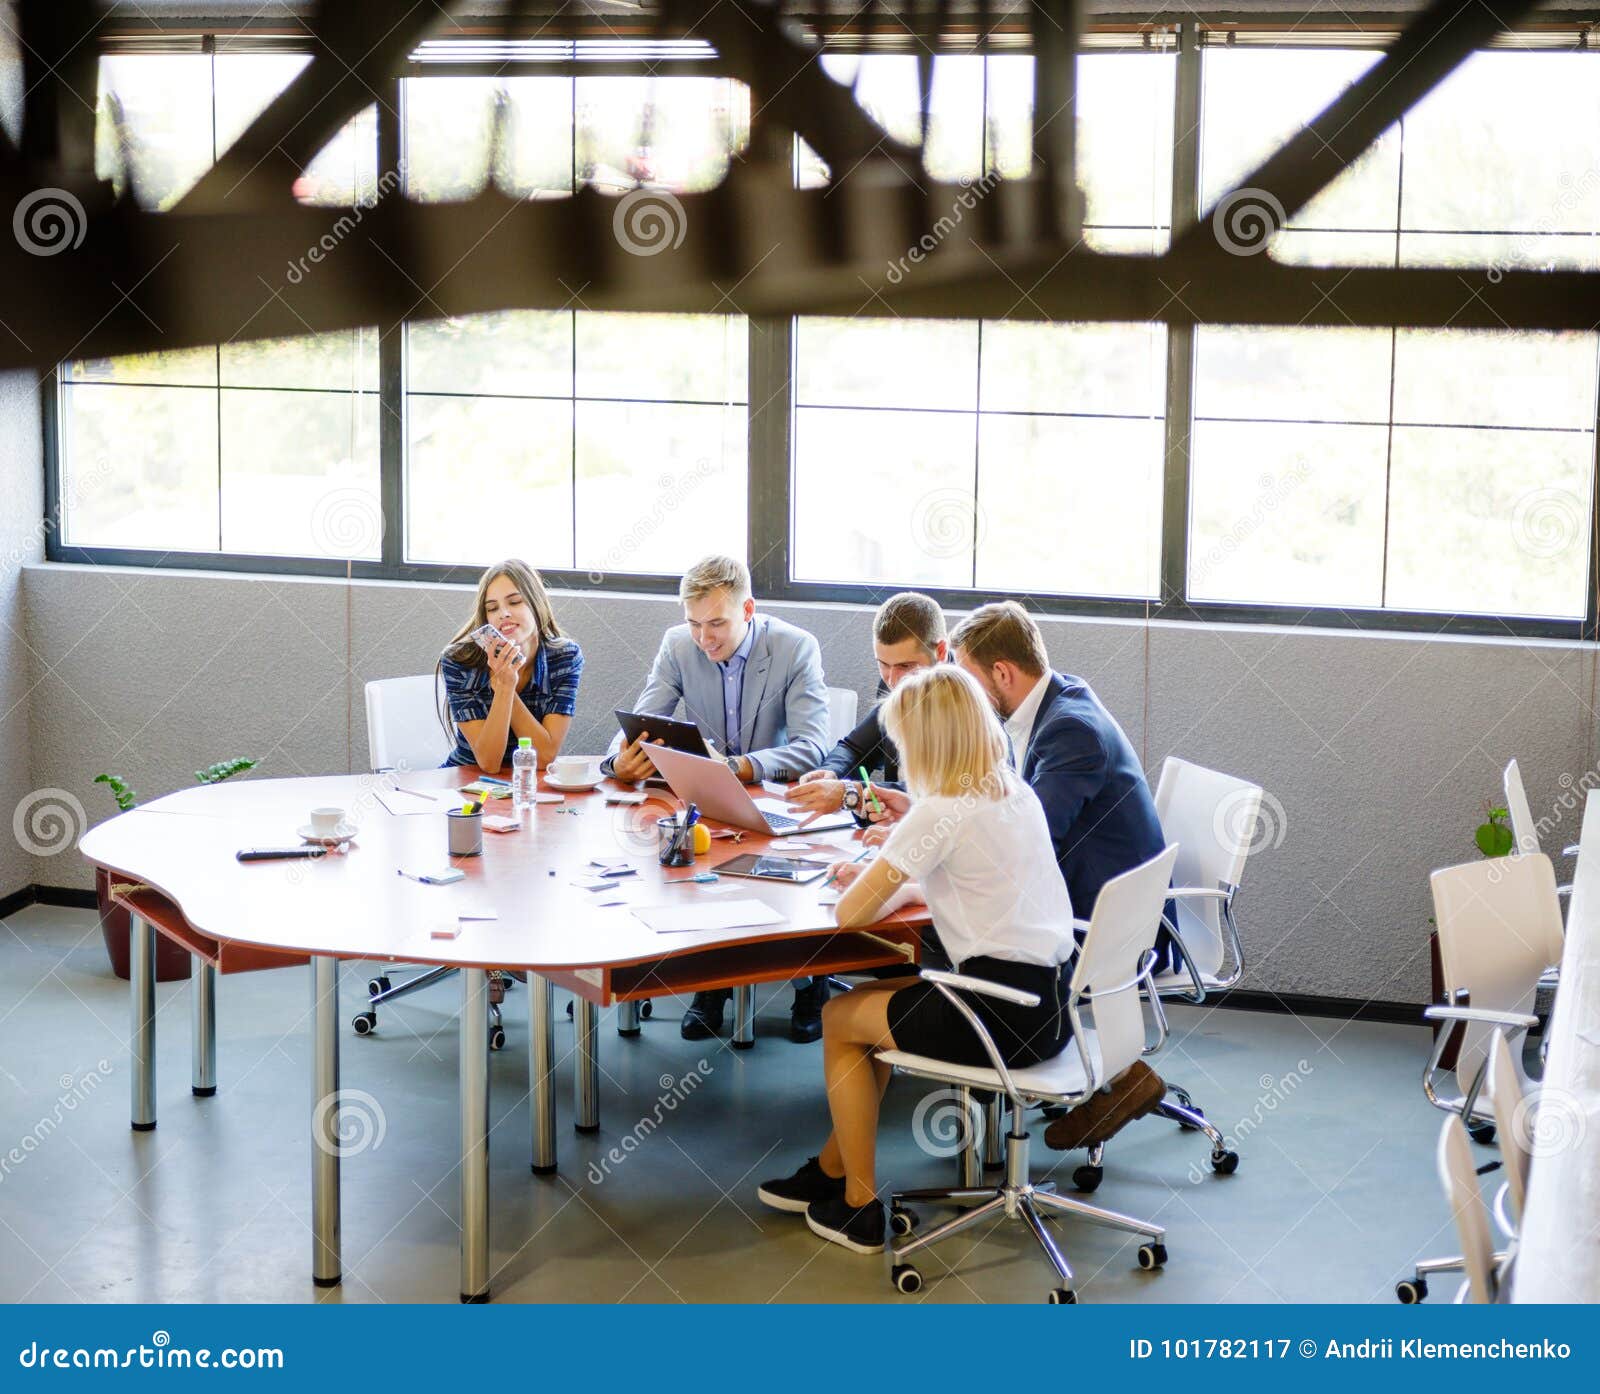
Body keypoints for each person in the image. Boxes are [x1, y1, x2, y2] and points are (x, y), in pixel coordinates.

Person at [756, 665, 1077, 1254]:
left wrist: (870, 880)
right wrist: (895, 882)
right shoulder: (1010, 790)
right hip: (1050, 1004)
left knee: (839, 1020)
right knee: (866, 1011)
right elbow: (972, 883)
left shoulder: (940, 810)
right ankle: (830, 1170)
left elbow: (850, 915)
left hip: (998, 1015)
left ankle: (858, 1207)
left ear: (924, 743)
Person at [601, 554, 832, 1042]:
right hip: (704, 803)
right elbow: (642, 724)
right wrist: (618, 762)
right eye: (693, 623)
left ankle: (811, 984)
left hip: (775, 802)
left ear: (748, 609)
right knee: (679, 863)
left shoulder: (795, 648)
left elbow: (814, 747)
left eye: (716, 623)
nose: (704, 638)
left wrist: (741, 767)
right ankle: (713, 983)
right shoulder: (678, 645)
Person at [784, 591, 946, 829]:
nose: (893, 680)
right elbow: (856, 748)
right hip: (891, 832)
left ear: (940, 652)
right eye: (883, 665)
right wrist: (830, 773)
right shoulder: (893, 682)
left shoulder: (967, 700)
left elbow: (944, 792)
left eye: (905, 666)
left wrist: (849, 792)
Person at [436, 560, 582, 774]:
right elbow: (488, 763)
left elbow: (543, 758)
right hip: (468, 779)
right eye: (492, 608)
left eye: (514, 602)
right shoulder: (459, 662)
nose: (503, 613)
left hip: (529, 783)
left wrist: (508, 687)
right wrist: (503, 688)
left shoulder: (565, 658)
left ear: (536, 603)